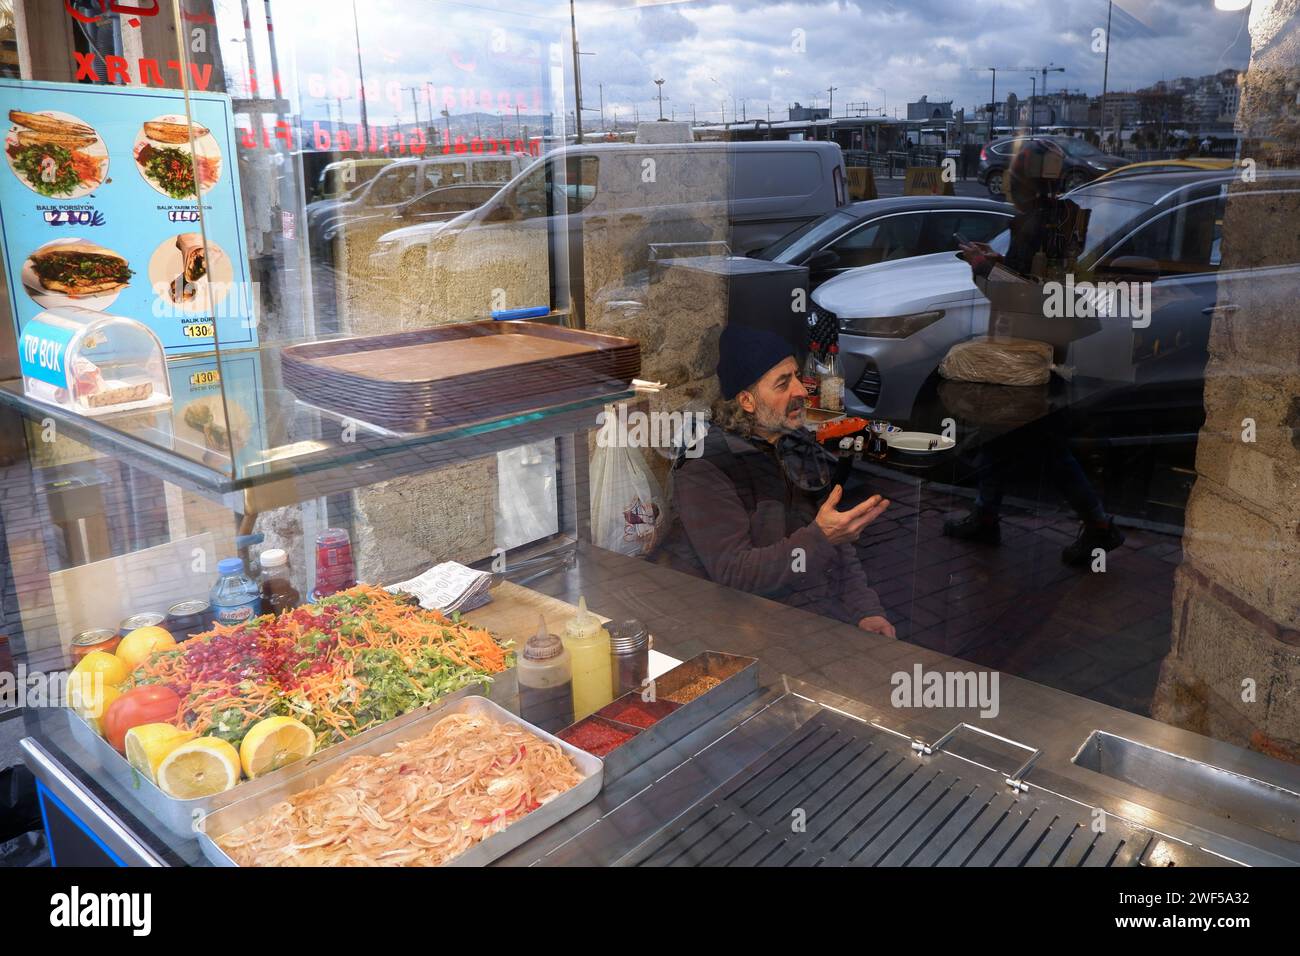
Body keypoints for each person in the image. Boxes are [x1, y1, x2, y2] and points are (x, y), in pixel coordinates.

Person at [949, 139, 1125, 566]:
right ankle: (987, 514)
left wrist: (982, 267)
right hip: (1050, 339)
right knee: (1004, 432)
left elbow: (1020, 295)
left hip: (1025, 341)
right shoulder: (1065, 216)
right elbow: (1038, 279)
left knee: (1037, 438)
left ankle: (1098, 526)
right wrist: (998, 261)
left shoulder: (1029, 223)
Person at [660, 324, 896, 637]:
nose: (800, 390)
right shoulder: (705, 468)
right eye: (783, 383)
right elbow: (736, 572)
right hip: (750, 631)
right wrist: (821, 537)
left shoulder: (796, 443)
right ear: (747, 401)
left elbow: (835, 539)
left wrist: (865, 609)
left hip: (817, 616)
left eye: (797, 376)